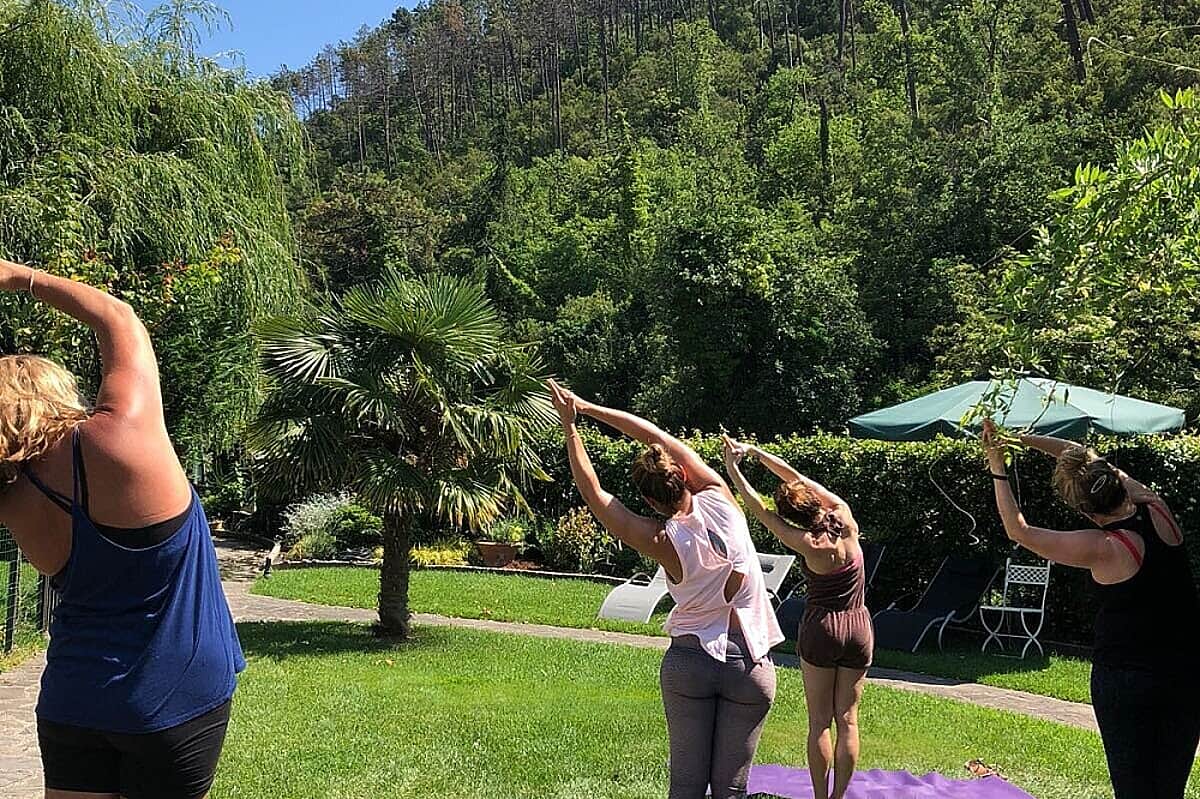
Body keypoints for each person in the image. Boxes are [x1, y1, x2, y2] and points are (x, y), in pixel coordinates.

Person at [0, 258, 245, 799]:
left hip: (72, 698)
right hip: (172, 693)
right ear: (56, 395)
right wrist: (18, 277)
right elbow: (119, 318)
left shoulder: (12, 498)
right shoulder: (118, 439)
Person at [546, 381, 783, 799]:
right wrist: (587, 405)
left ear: (652, 503)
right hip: (749, 663)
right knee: (732, 789)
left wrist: (571, 427)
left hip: (689, 663)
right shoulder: (719, 496)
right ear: (682, 478)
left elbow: (595, 493)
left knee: (686, 788)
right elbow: (655, 435)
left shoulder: (658, 538)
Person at [982, 419, 1200, 799]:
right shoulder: (1158, 509)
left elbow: (1019, 531)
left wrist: (998, 463)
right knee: (1169, 791)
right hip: (1187, 676)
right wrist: (1017, 439)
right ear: (1117, 483)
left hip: (1127, 682)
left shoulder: (1106, 547)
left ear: (1087, 513)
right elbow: (1080, 454)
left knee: (1134, 790)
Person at [720, 436, 871, 799]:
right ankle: (838, 798)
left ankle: (820, 798)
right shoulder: (843, 515)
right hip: (858, 627)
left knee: (820, 721)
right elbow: (798, 477)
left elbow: (758, 510)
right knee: (848, 720)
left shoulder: (806, 542)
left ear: (793, 515)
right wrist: (755, 451)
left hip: (821, 629)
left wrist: (733, 468)